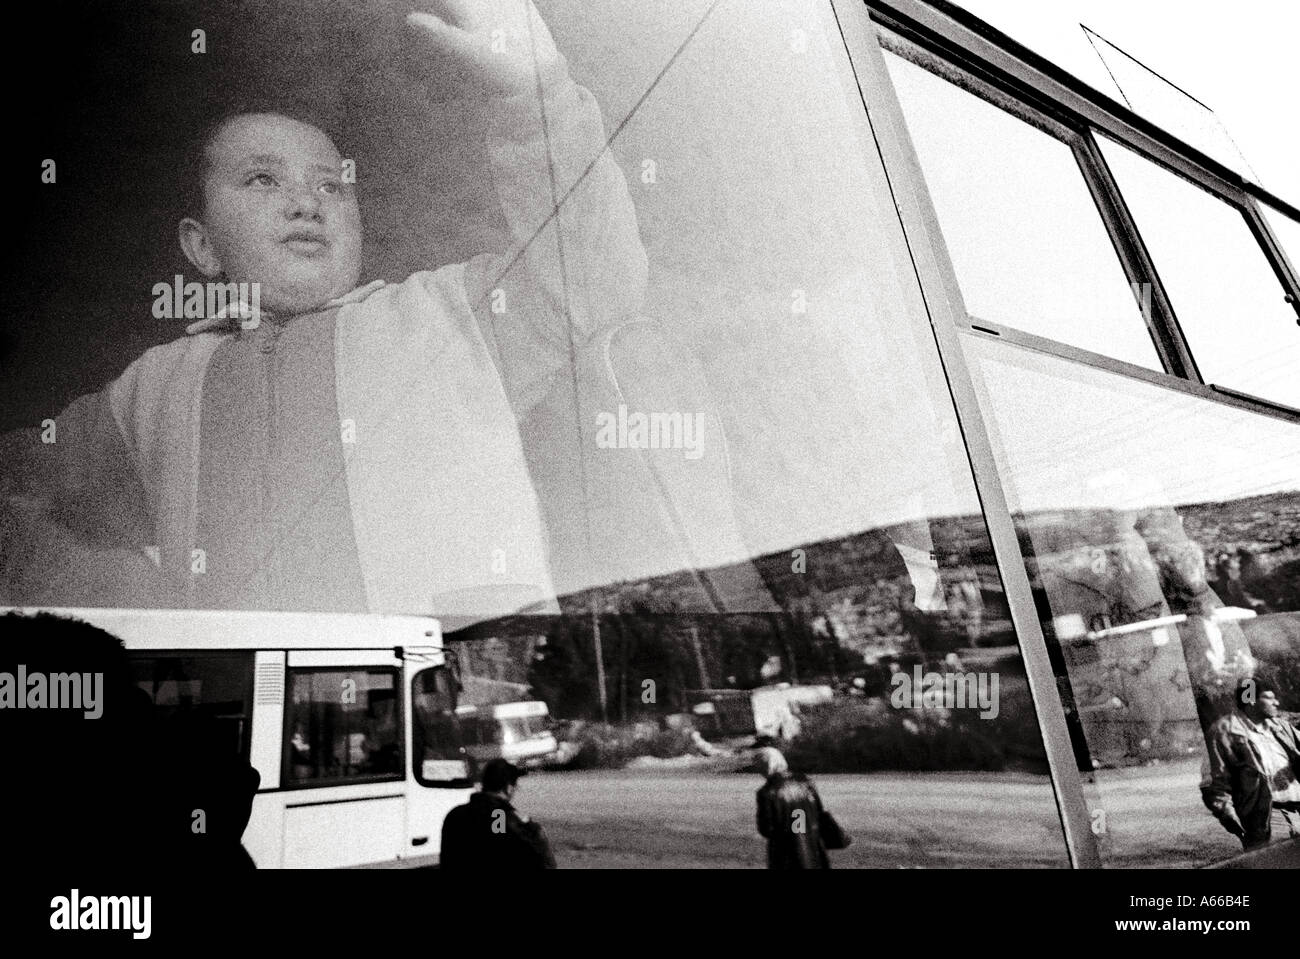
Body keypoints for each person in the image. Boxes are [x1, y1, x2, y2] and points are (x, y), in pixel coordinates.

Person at [0, 0, 647, 618]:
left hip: (440, 697)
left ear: (359, 222)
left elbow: (594, 276)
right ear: (200, 245)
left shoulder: (450, 315)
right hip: (254, 713)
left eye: (331, 184)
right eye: (262, 178)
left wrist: (539, 99)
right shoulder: (150, 388)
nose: (307, 202)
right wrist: (115, 591)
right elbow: (20, 488)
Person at [1200, 677, 1300, 851]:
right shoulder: (1225, 732)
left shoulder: (1282, 727)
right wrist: (1231, 817)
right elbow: (1214, 782)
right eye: (1269, 698)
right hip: (1267, 820)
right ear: (1251, 700)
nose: (1276, 702)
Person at [440, 757, 556, 869]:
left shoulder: (455, 815)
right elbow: (546, 863)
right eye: (515, 787)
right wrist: (533, 829)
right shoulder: (504, 819)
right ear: (508, 788)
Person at [754, 746, 835, 870]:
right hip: (812, 846)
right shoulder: (806, 782)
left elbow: (766, 829)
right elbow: (819, 813)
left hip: (785, 852)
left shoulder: (767, 792)